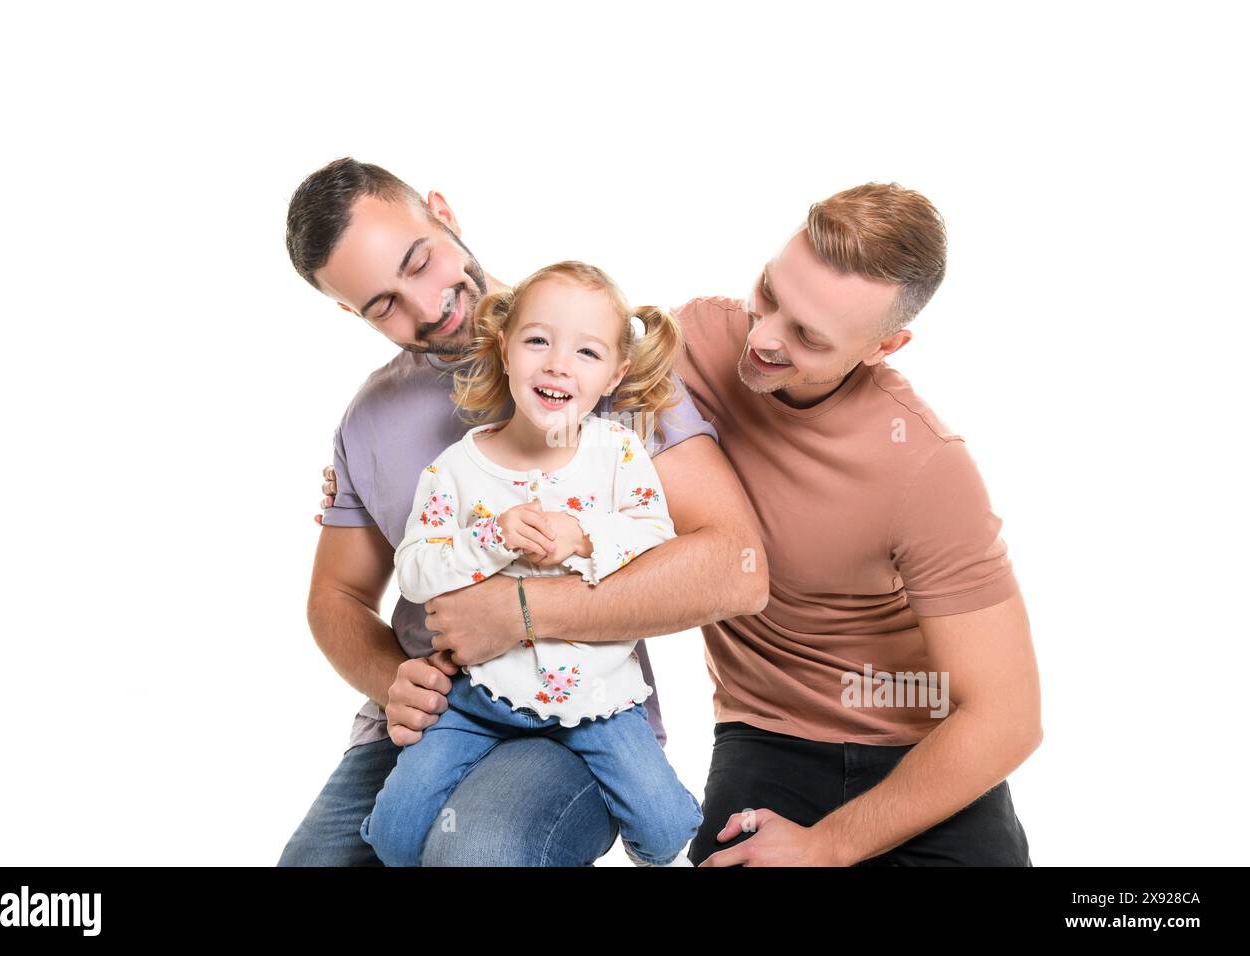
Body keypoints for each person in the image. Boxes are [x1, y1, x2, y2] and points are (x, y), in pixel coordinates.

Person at [322, 181, 1042, 867]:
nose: (763, 338)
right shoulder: (695, 341)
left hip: (921, 753)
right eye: (768, 293)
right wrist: (363, 476)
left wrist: (832, 845)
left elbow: (1006, 717)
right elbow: (569, 339)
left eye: (807, 336)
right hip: (766, 734)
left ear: (883, 347)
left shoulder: (925, 466)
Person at [278, 158, 768, 866]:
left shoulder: (595, 355)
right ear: (351, 313)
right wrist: (393, 681)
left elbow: (735, 568)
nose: (427, 307)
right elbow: (337, 595)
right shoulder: (370, 419)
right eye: (383, 304)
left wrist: (523, 611)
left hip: (572, 715)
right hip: (437, 719)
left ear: (444, 212)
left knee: (473, 850)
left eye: (419, 261)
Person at [360, 262, 703, 867]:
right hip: (476, 697)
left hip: (597, 699)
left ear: (615, 374)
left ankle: (577, 807)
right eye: (538, 340)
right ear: (505, 347)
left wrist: (584, 536)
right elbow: (414, 571)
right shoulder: (455, 469)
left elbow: (657, 540)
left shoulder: (618, 452)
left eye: (587, 352)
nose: (558, 365)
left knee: (666, 830)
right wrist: (492, 537)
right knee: (393, 836)